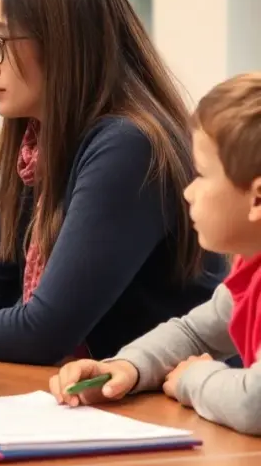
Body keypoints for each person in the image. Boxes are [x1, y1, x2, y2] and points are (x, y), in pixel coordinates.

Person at [0, 0, 227, 365]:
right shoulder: (39, 147)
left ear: (63, 46)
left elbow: (45, 331)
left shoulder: (129, 145)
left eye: (1, 43)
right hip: (96, 392)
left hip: (163, 399)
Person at [50, 73, 261, 436]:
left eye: (202, 175)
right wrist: (125, 368)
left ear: (257, 198)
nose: (188, 192)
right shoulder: (250, 270)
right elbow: (194, 333)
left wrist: (194, 379)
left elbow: (254, 404)